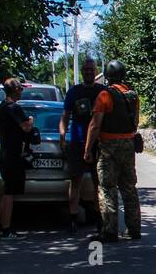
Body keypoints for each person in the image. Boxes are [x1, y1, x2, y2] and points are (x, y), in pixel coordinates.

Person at [85, 60, 142, 242]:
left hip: (108, 146)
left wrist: (87, 149)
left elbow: (95, 125)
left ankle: (110, 230)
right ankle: (134, 229)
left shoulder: (104, 95)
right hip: (128, 144)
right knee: (129, 188)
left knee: (107, 188)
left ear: (107, 76)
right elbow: (136, 121)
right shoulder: (133, 96)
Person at [60, 57, 102, 233]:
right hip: (77, 142)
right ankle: (73, 219)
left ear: (96, 70)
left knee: (98, 182)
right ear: (82, 71)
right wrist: (62, 135)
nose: (89, 72)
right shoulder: (73, 92)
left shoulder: (102, 91)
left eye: (91, 69)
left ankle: (99, 219)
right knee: (75, 181)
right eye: (86, 70)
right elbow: (65, 115)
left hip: (98, 143)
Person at [0, 76, 36, 239]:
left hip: (4, 152)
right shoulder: (14, 108)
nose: (22, 91)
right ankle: (6, 229)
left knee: (6, 190)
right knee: (10, 192)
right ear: (16, 90)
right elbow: (26, 127)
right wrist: (31, 120)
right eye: (21, 89)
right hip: (13, 154)